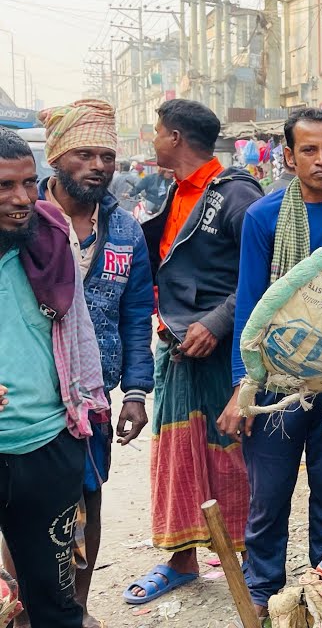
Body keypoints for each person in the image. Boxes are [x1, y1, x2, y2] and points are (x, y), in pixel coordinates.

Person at [218, 107, 322, 615]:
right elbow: (251, 303)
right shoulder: (264, 217)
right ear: (289, 157)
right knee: (269, 496)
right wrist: (243, 385)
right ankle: (263, 593)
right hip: (278, 381)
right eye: (309, 150)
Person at [125, 99, 263, 605]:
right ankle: (182, 560)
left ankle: (253, 561)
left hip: (224, 352)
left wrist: (218, 322)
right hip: (176, 346)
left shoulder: (237, 194)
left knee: (233, 454)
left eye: (157, 132)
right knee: (177, 455)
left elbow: (264, 273)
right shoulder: (176, 191)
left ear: (175, 137)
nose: (154, 140)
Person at [33, 100, 154, 627]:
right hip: (31, 395)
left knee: (89, 499)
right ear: (57, 157)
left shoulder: (126, 231)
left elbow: (136, 313)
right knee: (28, 508)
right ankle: (29, 611)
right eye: (84, 154)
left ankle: (78, 609)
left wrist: (136, 392)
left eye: (106, 155)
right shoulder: (24, 221)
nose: (98, 166)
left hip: (94, 396)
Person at [0, 127, 107, 628]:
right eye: (5, 186)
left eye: (28, 182)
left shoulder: (50, 237)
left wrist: (88, 410)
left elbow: (78, 327)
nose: (23, 198)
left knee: (57, 606)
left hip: (47, 444)